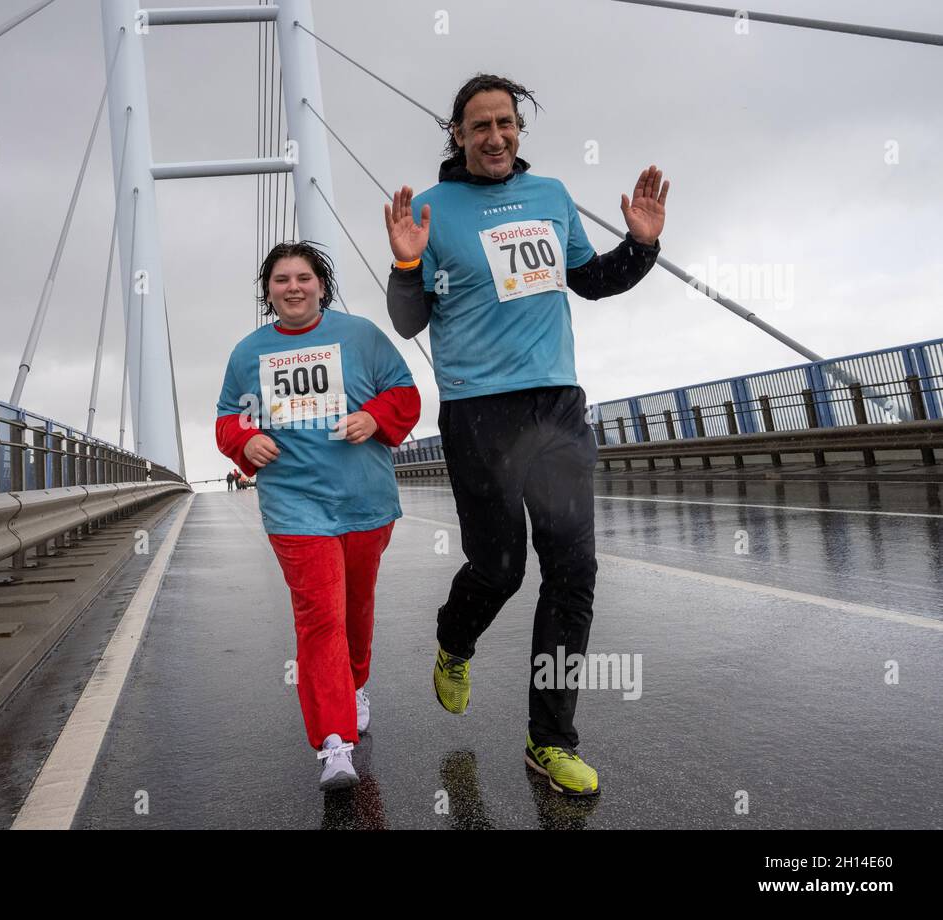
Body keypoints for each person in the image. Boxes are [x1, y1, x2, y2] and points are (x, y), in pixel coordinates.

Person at [383, 73, 668, 796]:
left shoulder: (551, 198)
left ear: (519, 129)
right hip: (480, 411)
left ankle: (551, 742)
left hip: (557, 408)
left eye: (505, 123)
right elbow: (410, 320)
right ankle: (455, 641)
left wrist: (639, 247)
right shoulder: (434, 209)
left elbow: (591, 281)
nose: (495, 136)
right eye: (479, 126)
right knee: (501, 570)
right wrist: (407, 263)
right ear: (457, 135)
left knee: (573, 573)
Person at [216, 241, 420, 791]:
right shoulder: (247, 353)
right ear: (268, 292)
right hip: (295, 508)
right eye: (280, 279)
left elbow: (406, 395)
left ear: (321, 286)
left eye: (303, 277)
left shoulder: (363, 336)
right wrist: (246, 440)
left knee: (356, 608)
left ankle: (353, 685)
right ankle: (334, 744)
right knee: (319, 617)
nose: (293, 287)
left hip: (365, 501)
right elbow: (226, 420)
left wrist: (374, 418)